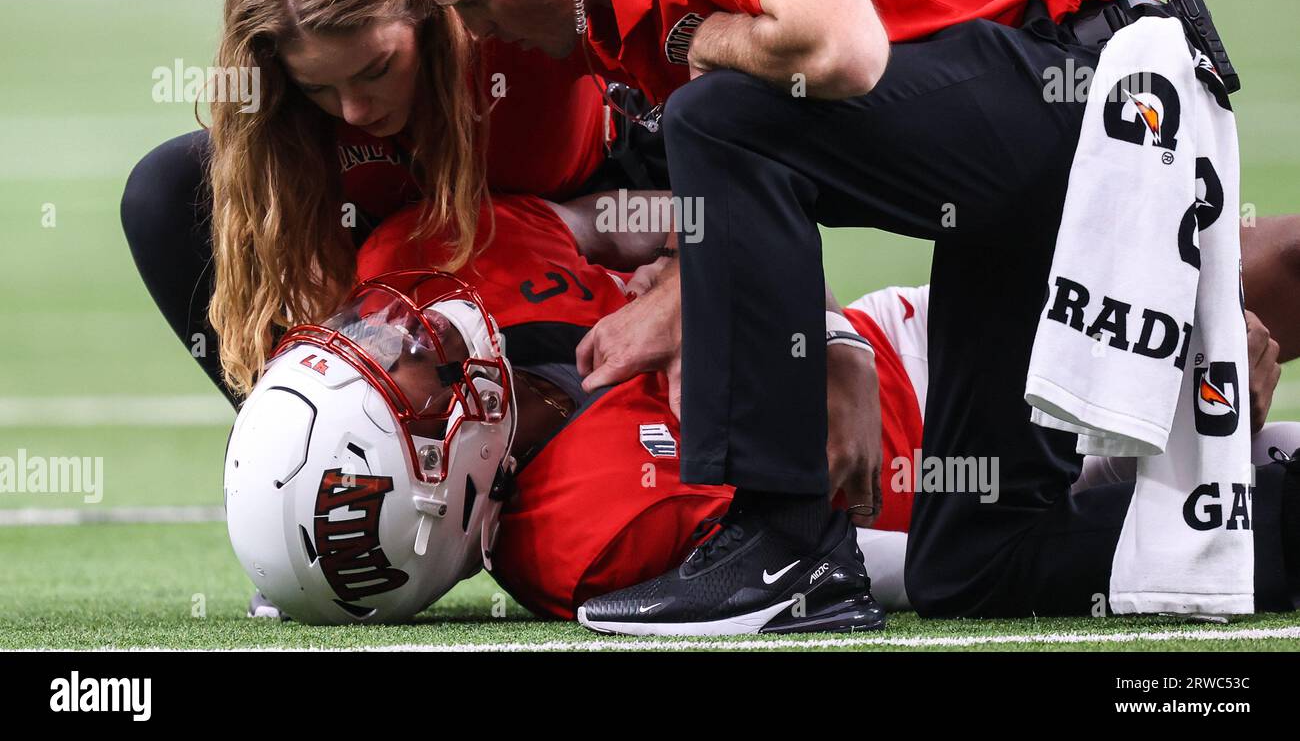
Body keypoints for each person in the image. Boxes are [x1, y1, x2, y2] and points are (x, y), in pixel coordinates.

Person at [372, 0, 1222, 626]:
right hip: (1043, 130)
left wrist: (704, 45)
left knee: (720, 117)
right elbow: (749, 210)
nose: (477, 31)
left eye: (472, 2)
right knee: (979, 560)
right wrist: (822, 344)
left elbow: (838, 48)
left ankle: (785, 544)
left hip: (1101, 88)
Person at [229, 190, 1300, 626]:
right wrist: (1175, 481)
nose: (408, 332)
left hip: (906, 337)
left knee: (1258, 266)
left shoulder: (430, 258)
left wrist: (703, 273)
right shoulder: (582, 538)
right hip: (958, 473)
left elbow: (654, 203)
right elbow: (865, 559)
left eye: (368, 341)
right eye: (397, 375)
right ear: (435, 493)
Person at [120, 0, 626, 405]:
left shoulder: (518, 30)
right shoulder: (285, 110)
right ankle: (294, 439)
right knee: (164, 187)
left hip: (577, 263)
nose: (356, 111)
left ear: (425, 5)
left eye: (377, 69)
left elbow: (688, 148)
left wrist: (665, 266)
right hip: (409, 275)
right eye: (317, 87)